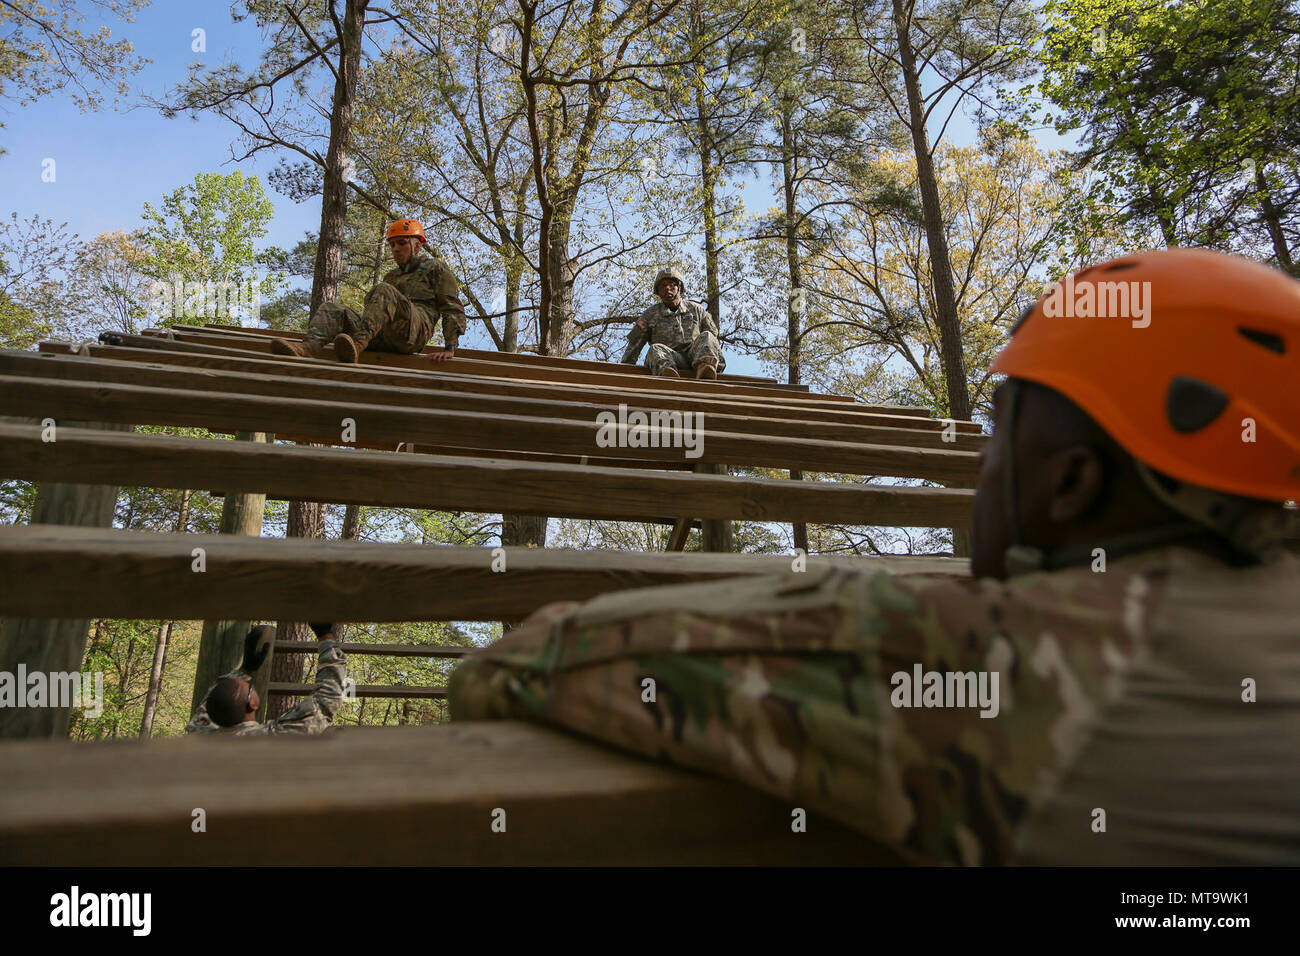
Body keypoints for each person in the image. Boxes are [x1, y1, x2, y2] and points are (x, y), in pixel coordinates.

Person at [449, 248, 1300, 865]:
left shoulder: (1030, 658)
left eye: (1001, 431)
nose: (979, 458)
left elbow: (523, 665)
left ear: (1071, 483)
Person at [271, 218, 467, 364]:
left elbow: (452, 307)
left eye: (401, 243)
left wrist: (450, 347)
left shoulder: (435, 269)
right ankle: (307, 348)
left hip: (414, 333)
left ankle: (356, 347)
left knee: (383, 290)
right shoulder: (392, 277)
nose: (395, 249)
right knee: (333, 309)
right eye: (392, 245)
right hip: (382, 336)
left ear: (417, 245)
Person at [186, 624, 347, 736]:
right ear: (252, 704)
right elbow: (326, 701)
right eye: (250, 686)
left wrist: (245, 670)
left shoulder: (198, 736)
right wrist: (325, 636)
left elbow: (210, 709)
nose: (250, 682)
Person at [621, 267, 725, 379]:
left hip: (696, 357)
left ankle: (706, 370)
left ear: (679, 288)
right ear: (658, 291)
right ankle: (668, 375)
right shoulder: (650, 315)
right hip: (670, 359)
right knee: (655, 349)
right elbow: (634, 345)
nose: (667, 288)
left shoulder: (696, 309)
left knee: (707, 336)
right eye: (663, 286)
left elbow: (712, 335)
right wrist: (623, 371)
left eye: (672, 285)